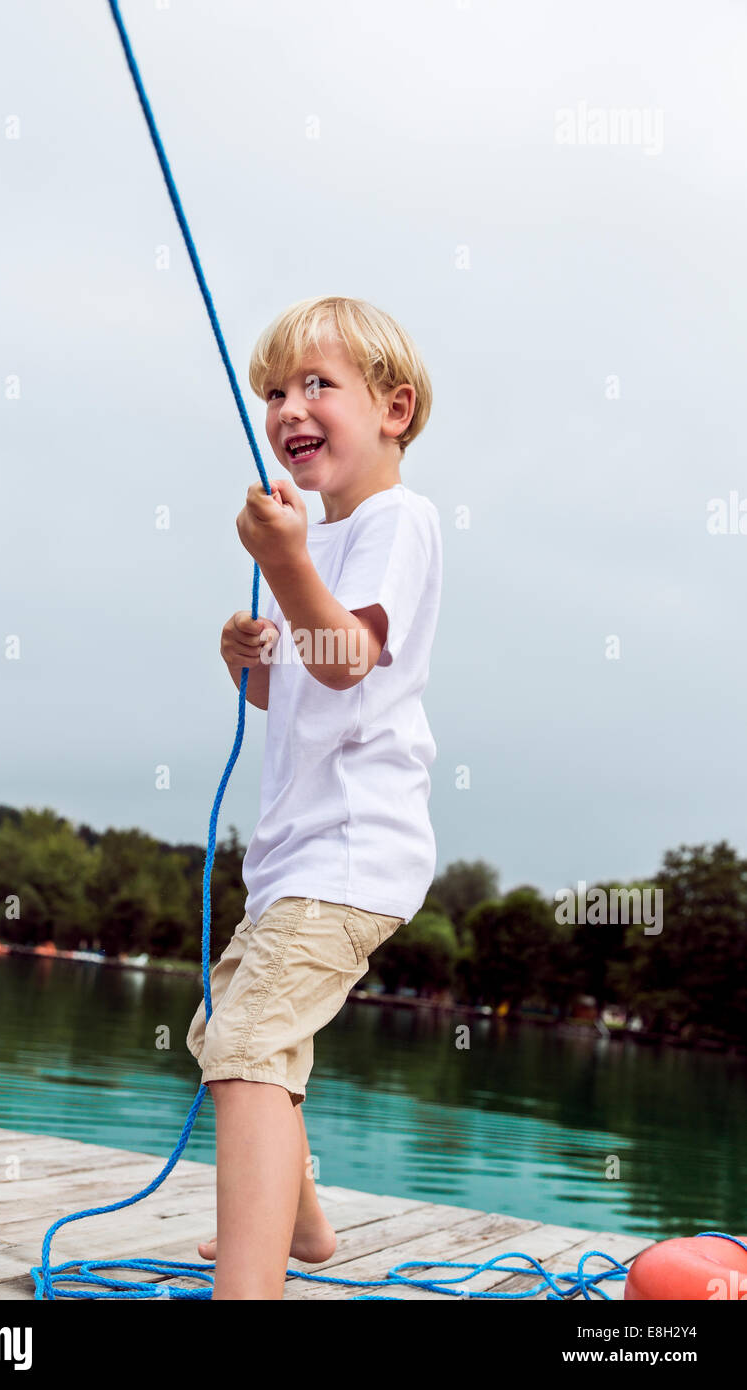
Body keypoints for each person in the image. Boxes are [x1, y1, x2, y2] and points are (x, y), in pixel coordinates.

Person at [186, 294, 442, 1299]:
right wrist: (241, 660)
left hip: (352, 851)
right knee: (227, 1032)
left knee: (250, 1044)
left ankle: (247, 1288)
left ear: (393, 408)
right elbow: (292, 690)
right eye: (275, 392)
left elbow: (345, 660)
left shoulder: (395, 522)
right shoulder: (317, 539)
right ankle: (305, 1230)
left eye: (316, 385)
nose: (289, 407)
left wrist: (284, 562)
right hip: (293, 857)